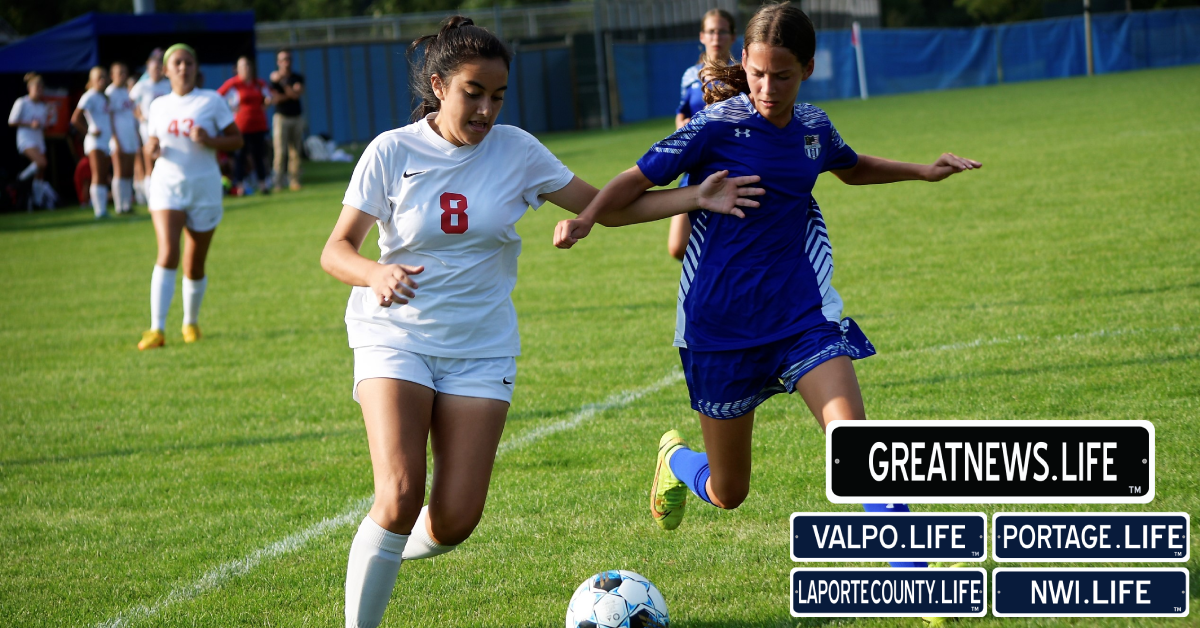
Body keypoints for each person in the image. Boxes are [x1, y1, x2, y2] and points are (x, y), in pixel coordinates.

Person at [319, 16, 762, 628]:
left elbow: (606, 208)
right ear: (440, 83)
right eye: (473, 92)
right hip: (395, 337)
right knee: (398, 496)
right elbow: (336, 249)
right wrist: (374, 273)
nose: (485, 109)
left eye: (497, 96)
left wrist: (694, 198)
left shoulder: (518, 151)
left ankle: (382, 549)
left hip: (482, 348)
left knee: (454, 520)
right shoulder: (391, 151)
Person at [554, 2, 981, 553]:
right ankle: (676, 461)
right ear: (745, 64)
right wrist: (586, 219)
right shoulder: (715, 126)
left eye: (782, 76)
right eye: (756, 74)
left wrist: (924, 169)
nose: (767, 87)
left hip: (801, 315)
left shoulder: (813, 126)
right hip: (719, 326)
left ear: (807, 67)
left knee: (858, 445)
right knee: (730, 492)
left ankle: (913, 574)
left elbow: (851, 169)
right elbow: (632, 178)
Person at [138, 44, 243, 350]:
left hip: (204, 189)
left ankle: (190, 322)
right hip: (166, 186)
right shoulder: (157, 105)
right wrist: (151, 150)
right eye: (177, 63)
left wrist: (210, 140)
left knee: (194, 264)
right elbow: (151, 144)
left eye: (188, 62)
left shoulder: (211, 100)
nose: (183, 67)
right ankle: (156, 329)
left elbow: (236, 139)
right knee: (168, 252)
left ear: (196, 68)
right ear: (166, 70)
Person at [668, 8, 738, 261]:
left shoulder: (741, 74)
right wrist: (681, 125)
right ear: (702, 36)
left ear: (732, 36)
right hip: (693, 165)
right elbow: (682, 110)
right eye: (711, 31)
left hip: (728, 166)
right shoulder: (690, 74)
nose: (716, 37)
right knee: (677, 246)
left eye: (722, 31)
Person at [218, 56, 273, 196]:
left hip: (259, 125)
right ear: (237, 69)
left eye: (248, 65)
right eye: (242, 66)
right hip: (241, 126)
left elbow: (269, 97)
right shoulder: (233, 84)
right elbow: (217, 98)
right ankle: (240, 186)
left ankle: (263, 185)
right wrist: (229, 110)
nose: (246, 69)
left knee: (259, 156)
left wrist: (267, 102)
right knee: (240, 157)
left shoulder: (259, 83)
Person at [9, 72, 56, 209]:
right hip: (26, 139)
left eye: (41, 88)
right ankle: (21, 178)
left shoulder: (43, 106)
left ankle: (37, 201)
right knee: (41, 162)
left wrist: (49, 121)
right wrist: (30, 124)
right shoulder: (22, 102)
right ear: (30, 88)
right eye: (37, 88)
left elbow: (45, 124)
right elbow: (12, 121)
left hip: (39, 139)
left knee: (40, 173)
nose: (40, 91)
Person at [72, 66, 114, 218]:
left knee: (103, 175)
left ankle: (102, 209)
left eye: (104, 77)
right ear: (92, 81)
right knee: (97, 174)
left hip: (106, 141)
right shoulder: (89, 96)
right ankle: (98, 210)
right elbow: (75, 118)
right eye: (99, 78)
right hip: (94, 141)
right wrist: (89, 131)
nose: (102, 81)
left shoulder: (104, 97)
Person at [130, 54, 171, 205]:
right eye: (153, 68)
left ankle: (166, 195)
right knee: (150, 162)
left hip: (165, 128)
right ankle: (150, 198)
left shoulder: (168, 85)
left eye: (159, 68)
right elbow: (131, 103)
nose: (156, 71)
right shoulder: (142, 86)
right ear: (148, 70)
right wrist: (139, 115)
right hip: (147, 128)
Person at [270, 49, 305, 191]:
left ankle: (294, 180)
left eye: (288, 59)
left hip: (296, 117)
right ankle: (277, 182)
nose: (286, 62)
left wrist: (284, 84)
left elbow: (296, 96)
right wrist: (291, 92)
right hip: (281, 118)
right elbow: (275, 99)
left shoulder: (297, 77)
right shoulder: (273, 80)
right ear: (278, 62)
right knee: (280, 151)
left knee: (295, 151)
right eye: (283, 60)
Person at [107, 62, 139, 214]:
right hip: (119, 136)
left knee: (128, 171)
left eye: (125, 72)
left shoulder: (127, 92)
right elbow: (110, 117)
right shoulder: (110, 93)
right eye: (119, 73)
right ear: (112, 75)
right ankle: (119, 205)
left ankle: (127, 204)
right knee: (119, 171)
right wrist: (115, 138)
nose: (123, 76)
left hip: (130, 134)